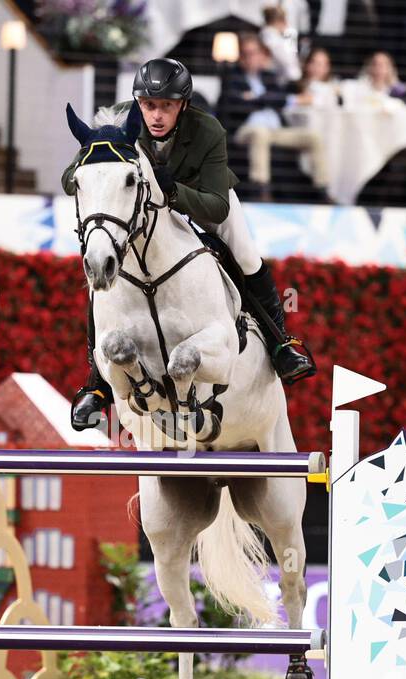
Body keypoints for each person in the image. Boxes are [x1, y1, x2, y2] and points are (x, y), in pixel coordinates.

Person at [61, 58, 317, 431]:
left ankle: (281, 344)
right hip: (142, 210)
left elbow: (216, 204)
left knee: (244, 254)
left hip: (200, 198)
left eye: (167, 105)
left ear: (183, 105)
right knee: (106, 268)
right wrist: (88, 167)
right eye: (149, 105)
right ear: (137, 103)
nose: (157, 115)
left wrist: (172, 193)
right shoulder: (117, 120)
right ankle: (96, 384)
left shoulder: (207, 129)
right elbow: (73, 177)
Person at [219, 33, 329, 201]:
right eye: (246, 54)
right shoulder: (232, 77)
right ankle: (261, 190)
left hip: (276, 130)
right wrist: (268, 99)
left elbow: (281, 98)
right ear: (240, 56)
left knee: (313, 137)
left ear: (261, 55)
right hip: (247, 130)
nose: (250, 58)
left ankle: (322, 189)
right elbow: (237, 105)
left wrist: (256, 98)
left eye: (254, 53)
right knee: (260, 134)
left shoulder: (269, 77)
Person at [259, 5, 302, 83]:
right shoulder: (270, 37)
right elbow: (289, 62)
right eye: (285, 20)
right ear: (281, 21)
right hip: (280, 81)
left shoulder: (274, 36)